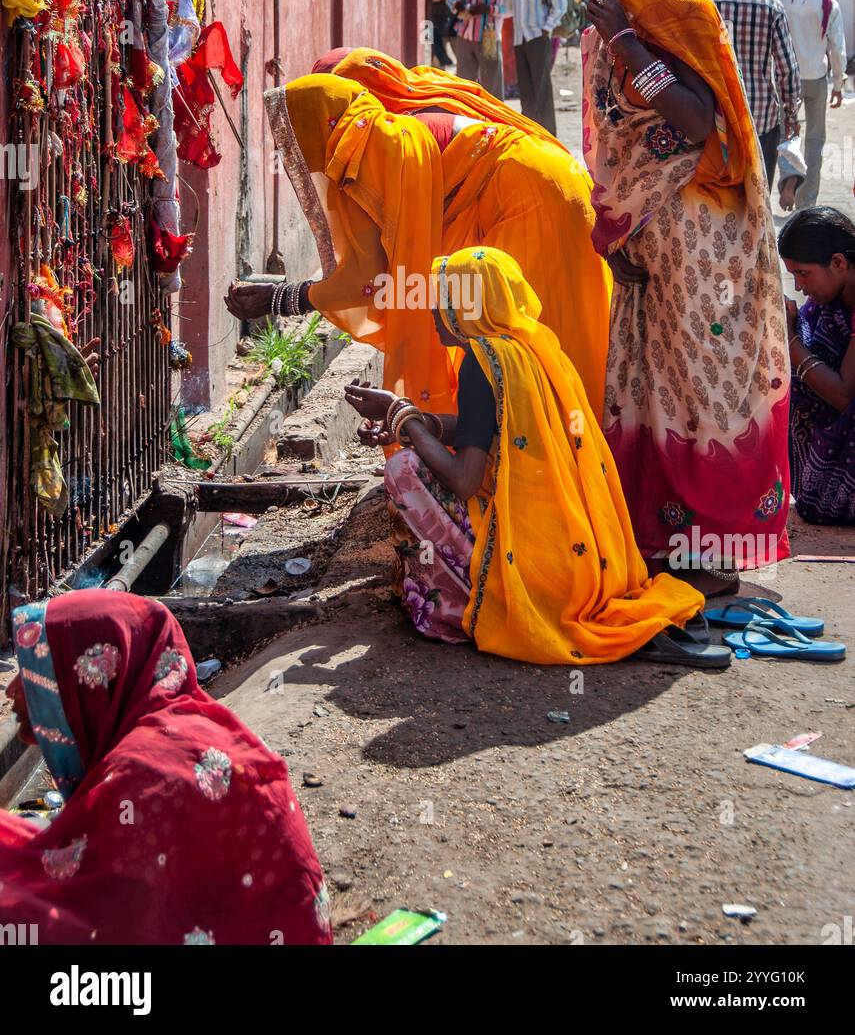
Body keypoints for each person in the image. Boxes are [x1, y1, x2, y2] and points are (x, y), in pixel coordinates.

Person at [571, 0, 791, 590]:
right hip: (650, 234)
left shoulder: (673, 13)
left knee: (701, 378)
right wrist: (620, 229)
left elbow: (697, 123)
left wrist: (627, 45)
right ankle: (662, 534)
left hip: (703, 236)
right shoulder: (612, 17)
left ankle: (715, 541)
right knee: (650, 378)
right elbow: (615, 136)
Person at [343, 246, 708, 663]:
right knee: (415, 456)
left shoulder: (481, 361)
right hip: (571, 557)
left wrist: (400, 415)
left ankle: (462, 603)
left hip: (533, 568)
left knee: (404, 468)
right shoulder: (528, 349)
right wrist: (413, 420)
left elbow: (463, 478)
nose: (432, 312)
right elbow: (486, 427)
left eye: (441, 300)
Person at [228, 64, 612, 417]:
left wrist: (280, 299)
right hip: (550, 180)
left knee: (519, 346)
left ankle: (532, 472)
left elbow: (371, 280)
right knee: (554, 333)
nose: (291, 152)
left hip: (527, 200)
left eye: (292, 135)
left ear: (316, 127)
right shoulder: (380, 133)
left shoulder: (369, 149)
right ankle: (559, 461)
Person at [0, 591, 330, 945]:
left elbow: (102, 919)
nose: (11, 690)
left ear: (88, 676)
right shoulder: (187, 731)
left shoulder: (143, 774)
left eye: (34, 672)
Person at [779, 206, 855, 524]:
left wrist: (790, 340)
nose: (798, 287)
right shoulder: (831, 306)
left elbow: (843, 395)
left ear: (838, 262)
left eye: (803, 274)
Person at [712, 0, 801, 190]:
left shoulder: (708, 6)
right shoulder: (771, 7)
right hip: (762, 119)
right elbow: (787, 69)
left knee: (723, 195)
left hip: (719, 119)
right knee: (759, 193)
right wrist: (791, 114)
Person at [776, 0, 847, 211]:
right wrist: (838, 85)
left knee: (786, 135)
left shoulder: (780, 0)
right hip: (817, 77)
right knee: (815, 141)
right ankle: (806, 203)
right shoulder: (829, 4)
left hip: (785, 78)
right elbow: (837, 49)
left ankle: (788, 184)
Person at [505, 0, 568, 133]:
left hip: (537, 38)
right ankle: (531, 136)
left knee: (542, 91)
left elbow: (560, 2)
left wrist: (546, 28)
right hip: (519, 39)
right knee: (526, 93)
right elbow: (508, 7)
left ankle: (549, 136)